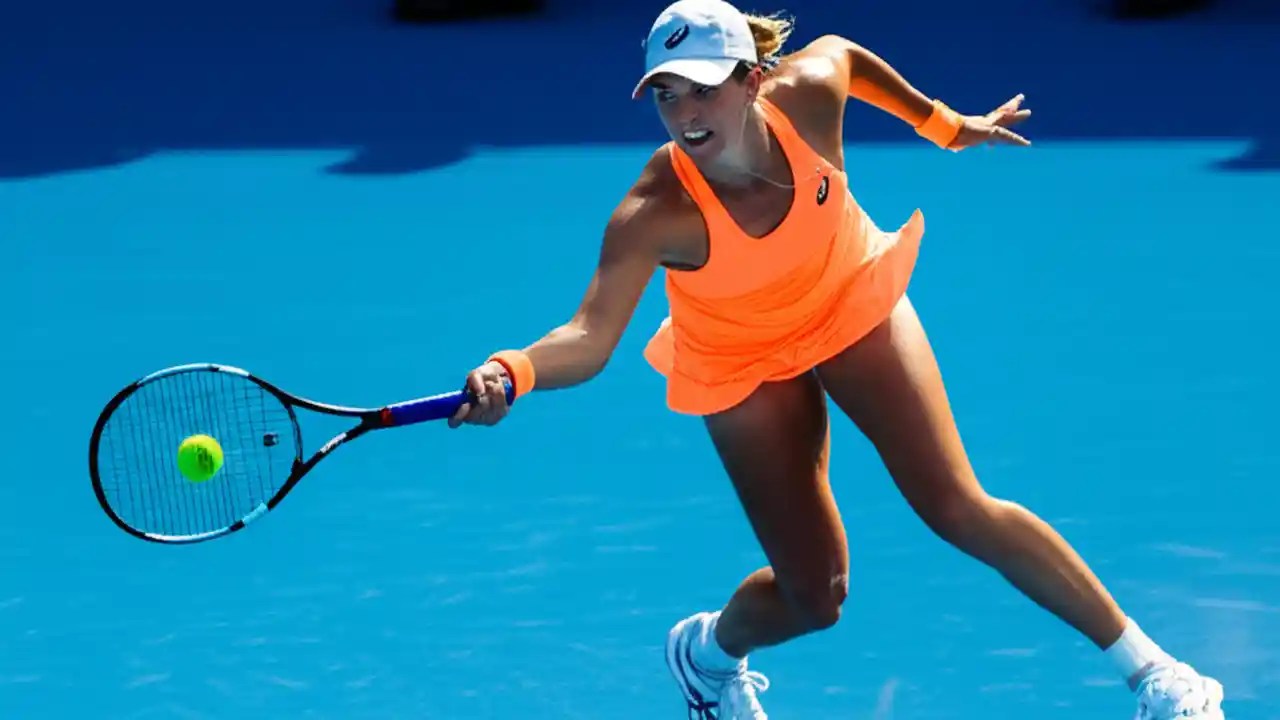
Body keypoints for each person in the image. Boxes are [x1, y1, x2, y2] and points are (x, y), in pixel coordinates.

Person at [448, 1, 1228, 717]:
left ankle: (1158, 675)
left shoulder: (810, 92)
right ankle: (708, 656)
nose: (685, 114)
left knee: (959, 504)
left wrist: (946, 125)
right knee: (816, 596)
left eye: (704, 90)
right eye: (667, 95)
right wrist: (511, 369)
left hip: (849, 297)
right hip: (741, 360)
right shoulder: (655, 214)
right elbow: (588, 336)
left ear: (753, 79)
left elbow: (846, 55)